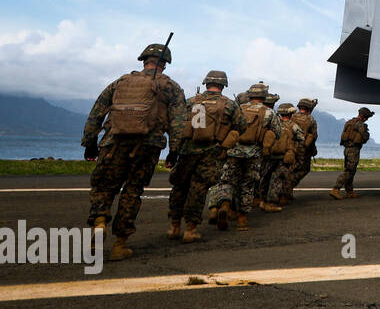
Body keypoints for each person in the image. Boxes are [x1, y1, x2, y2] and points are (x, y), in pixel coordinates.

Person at [82, 42, 188, 261]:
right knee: (132, 191)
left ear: (143, 61)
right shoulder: (172, 87)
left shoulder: (121, 82)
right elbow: (178, 122)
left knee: (103, 187)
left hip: (113, 143)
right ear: (165, 65)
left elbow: (96, 113)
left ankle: (100, 219)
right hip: (147, 147)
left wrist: (90, 142)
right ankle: (120, 244)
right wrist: (174, 150)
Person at [168, 70, 245, 244]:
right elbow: (241, 126)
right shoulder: (230, 105)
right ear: (223, 85)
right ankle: (190, 230)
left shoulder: (191, 101)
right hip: (211, 152)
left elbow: (177, 124)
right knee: (199, 189)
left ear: (206, 83)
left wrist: (174, 149)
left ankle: (173, 227)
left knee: (180, 188)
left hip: (187, 151)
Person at [207, 82, 278, 230]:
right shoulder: (269, 113)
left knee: (227, 181)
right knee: (247, 184)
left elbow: (229, 127)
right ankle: (242, 220)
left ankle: (225, 206)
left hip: (233, 151)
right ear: (264, 96)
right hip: (254, 154)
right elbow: (277, 133)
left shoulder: (238, 108)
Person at [266, 103, 304, 208]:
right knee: (280, 178)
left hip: (271, 155)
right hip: (284, 156)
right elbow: (302, 138)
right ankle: (273, 202)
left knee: (267, 177)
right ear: (291, 114)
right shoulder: (293, 126)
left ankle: (262, 200)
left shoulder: (274, 123)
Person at [330, 107, 374, 199]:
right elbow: (365, 137)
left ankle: (349, 191)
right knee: (349, 171)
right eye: (367, 117)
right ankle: (336, 189)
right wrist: (367, 132)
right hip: (353, 149)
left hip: (347, 149)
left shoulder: (349, 122)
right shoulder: (360, 124)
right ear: (364, 117)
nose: (367, 119)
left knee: (351, 170)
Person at [287, 98, 319, 200]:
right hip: (302, 149)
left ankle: (286, 191)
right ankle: (287, 189)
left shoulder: (292, 116)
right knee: (304, 169)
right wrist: (313, 151)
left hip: (289, 147)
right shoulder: (311, 119)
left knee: (289, 169)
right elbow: (313, 136)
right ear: (309, 108)